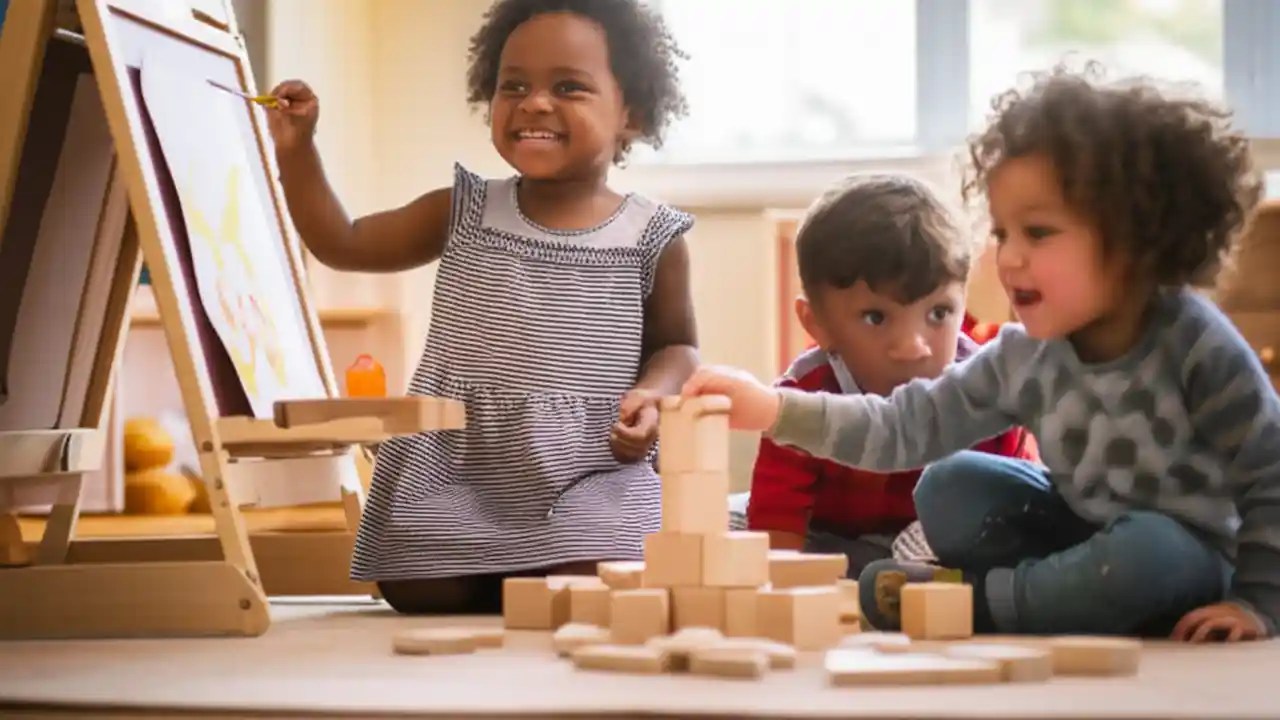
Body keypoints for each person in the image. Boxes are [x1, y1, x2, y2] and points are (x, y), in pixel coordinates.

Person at [680, 65, 1275, 643]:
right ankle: (1048, 595)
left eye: (1036, 234)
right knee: (951, 484)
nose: (1009, 259)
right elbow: (905, 422)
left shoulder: (1196, 344)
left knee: (1151, 550)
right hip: (1082, 537)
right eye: (1001, 234)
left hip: (1187, 559)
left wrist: (1258, 601)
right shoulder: (1026, 354)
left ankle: (979, 604)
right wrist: (776, 410)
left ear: (1138, 239)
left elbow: (1270, 472)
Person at [265, 0, 697, 614]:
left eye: (569, 87)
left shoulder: (653, 235)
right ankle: (501, 568)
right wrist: (297, 150)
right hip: (466, 459)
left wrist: (653, 395)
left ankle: (531, 567)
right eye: (512, 85)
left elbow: (677, 345)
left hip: (588, 464)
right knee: (416, 588)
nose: (534, 103)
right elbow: (344, 243)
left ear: (633, 113)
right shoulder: (464, 208)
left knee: (602, 575)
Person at [736, 174, 1036, 575]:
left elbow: (1009, 506)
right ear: (817, 324)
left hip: (938, 541)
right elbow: (778, 523)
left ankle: (898, 583)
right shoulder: (803, 397)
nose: (914, 346)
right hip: (831, 542)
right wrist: (783, 590)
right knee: (732, 529)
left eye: (939, 314)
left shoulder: (983, 389)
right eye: (876, 318)